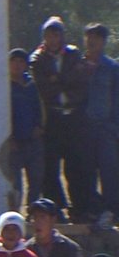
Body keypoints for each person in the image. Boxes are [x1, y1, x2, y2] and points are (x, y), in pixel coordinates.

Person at [29, 17, 87, 217]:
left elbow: (80, 82)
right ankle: (54, 210)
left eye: (56, 34)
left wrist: (57, 79)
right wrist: (65, 79)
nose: (53, 39)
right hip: (51, 116)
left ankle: (79, 207)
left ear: (62, 35)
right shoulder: (38, 58)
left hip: (73, 115)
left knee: (75, 164)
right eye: (49, 35)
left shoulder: (73, 53)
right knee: (50, 165)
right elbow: (44, 87)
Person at [0, 48, 44, 213]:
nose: (17, 65)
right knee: (15, 183)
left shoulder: (32, 85)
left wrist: (40, 126)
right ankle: (14, 214)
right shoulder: (3, 85)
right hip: (14, 143)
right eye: (14, 61)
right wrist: (8, 137)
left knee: (36, 180)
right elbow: (0, 113)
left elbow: (40, 108)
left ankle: (33, 213)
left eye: (21, 61)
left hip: (33, 141)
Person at [81, 24, 119, 217]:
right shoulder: (77, 65)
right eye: (88, 37)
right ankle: (91, 211)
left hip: (106, 130)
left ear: (103, 41)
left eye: (96, 37)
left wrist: (115, 129)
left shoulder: (112, 68)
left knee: (109, 173)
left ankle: (112, 212)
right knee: (86, 173)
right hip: (83, 129)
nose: (91, 41)